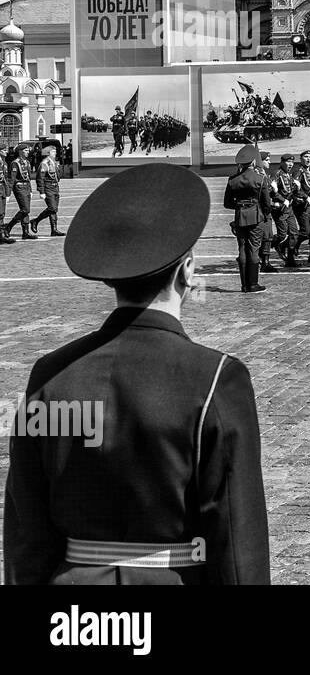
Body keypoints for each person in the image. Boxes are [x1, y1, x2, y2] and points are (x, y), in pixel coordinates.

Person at [4, 163, 270, 584]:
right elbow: (237, 539)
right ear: (187, 271)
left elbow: (26, 531)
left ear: (111, 279)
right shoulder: (216, 378)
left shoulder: (50, 374)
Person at [224, 144, 273, 294]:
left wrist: (240, 206)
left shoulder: (233, 180)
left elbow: (227, 203)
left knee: (242, 250)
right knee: (253, 249)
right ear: (253, 162)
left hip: (239, 218)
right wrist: (264, 214)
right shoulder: (260, 179)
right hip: (256, 217)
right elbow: (266, 203)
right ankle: (253, 284)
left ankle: (244, 285)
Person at [2, 142, 36, 240]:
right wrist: (8, 193)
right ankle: (8, 227)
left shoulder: (27, 162)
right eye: (25, 151)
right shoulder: (15, 163)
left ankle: (25, 232)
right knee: (25, 209)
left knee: (26, 210)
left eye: (28, 150)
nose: (28, 152)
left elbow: (28, 178)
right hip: (19, 188)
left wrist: (30, 190)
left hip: (26, 187)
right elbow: (11, 179)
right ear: (20, 152)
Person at [32, 145, 64, 237]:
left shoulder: (54, 162)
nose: (55, 153)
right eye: (53, 152)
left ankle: (54, 230)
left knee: (54, 210)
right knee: (52, 208)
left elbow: (58, 176)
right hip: (48, 187)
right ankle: (36, 221)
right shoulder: (44, 163)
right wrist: (41, 191)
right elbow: (40, 178)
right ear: (48, 153)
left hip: (55, 187)